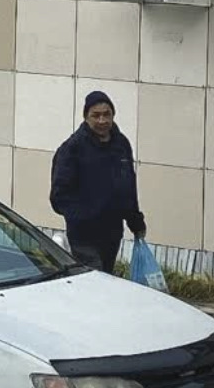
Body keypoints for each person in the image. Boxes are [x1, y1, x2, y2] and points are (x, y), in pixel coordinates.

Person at [49, 90, 146, 275]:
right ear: (86, 117)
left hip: (112, 233)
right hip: (84, 236)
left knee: (106, 278)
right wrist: (82, 216)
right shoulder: (72, 149)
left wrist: (136, 222)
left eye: (106, 114)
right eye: (96, 115)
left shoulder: (121, 145)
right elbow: (58, 196)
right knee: (94, 279)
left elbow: (128, 188)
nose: (102, 121)